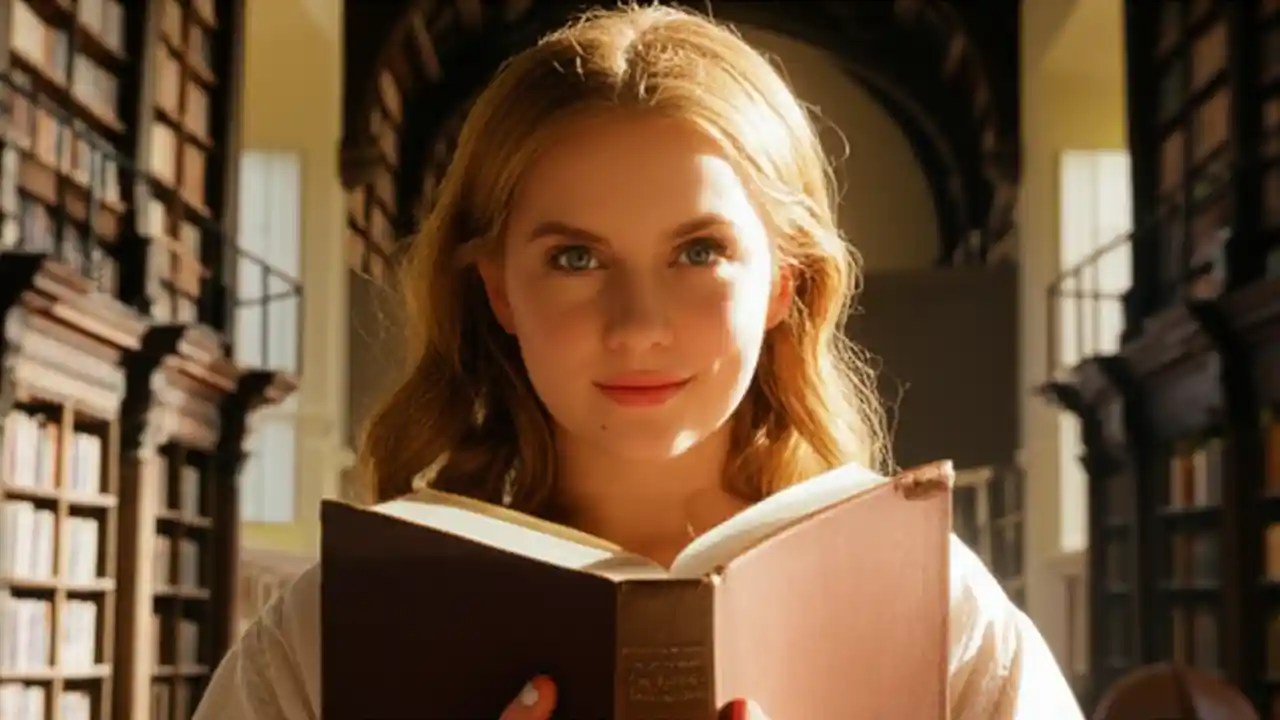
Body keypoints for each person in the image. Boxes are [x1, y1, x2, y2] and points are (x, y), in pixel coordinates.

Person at [194, 3, 1083, 719]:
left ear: (786, 284)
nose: (638, 327)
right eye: (575, 258)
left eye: (698, 252)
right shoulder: (330, 631)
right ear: (499, 289)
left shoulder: (938, 612)